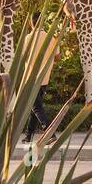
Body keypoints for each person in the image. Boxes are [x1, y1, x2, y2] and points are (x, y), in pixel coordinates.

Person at [23, 15, 60, 143]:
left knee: (36, 107)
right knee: (35, 106)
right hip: (45, 77)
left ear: (30, 23)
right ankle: (28, 136)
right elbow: (57, 56)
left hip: (31, 78)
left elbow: (23, 57)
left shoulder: (29, 38)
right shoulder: (51, 37)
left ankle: (50, 132)